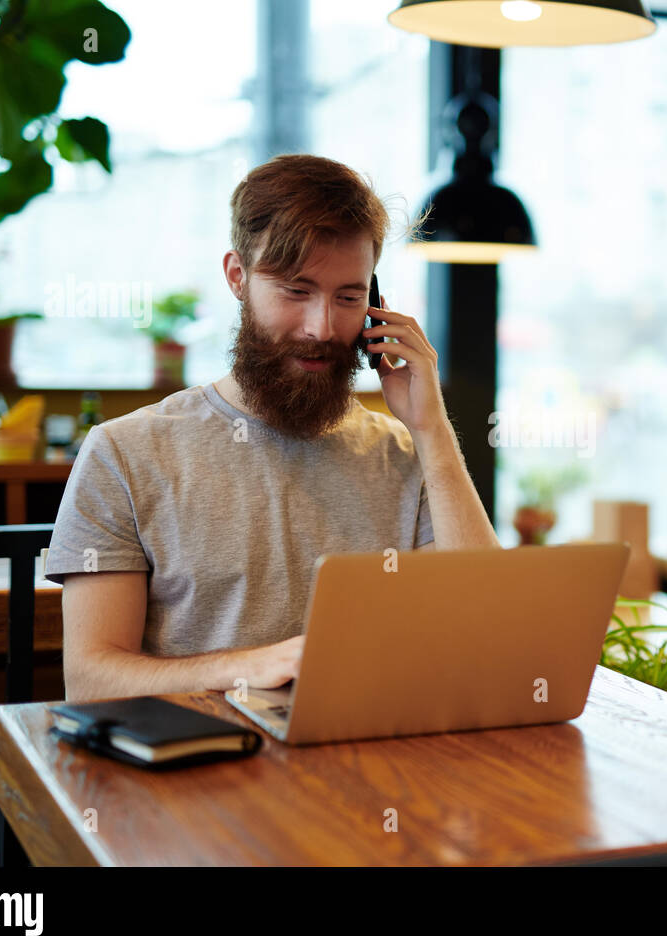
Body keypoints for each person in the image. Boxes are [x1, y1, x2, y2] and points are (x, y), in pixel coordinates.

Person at [45, 154, 500, 702]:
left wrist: (432, 431)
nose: (323, 327)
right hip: (195, 770)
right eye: (295, 290)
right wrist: (256, 666)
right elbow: (90, 679)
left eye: (349, 297)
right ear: (238, 277)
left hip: (364, 762)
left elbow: (486, 632)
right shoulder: (125, 453)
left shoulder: (403, 452)